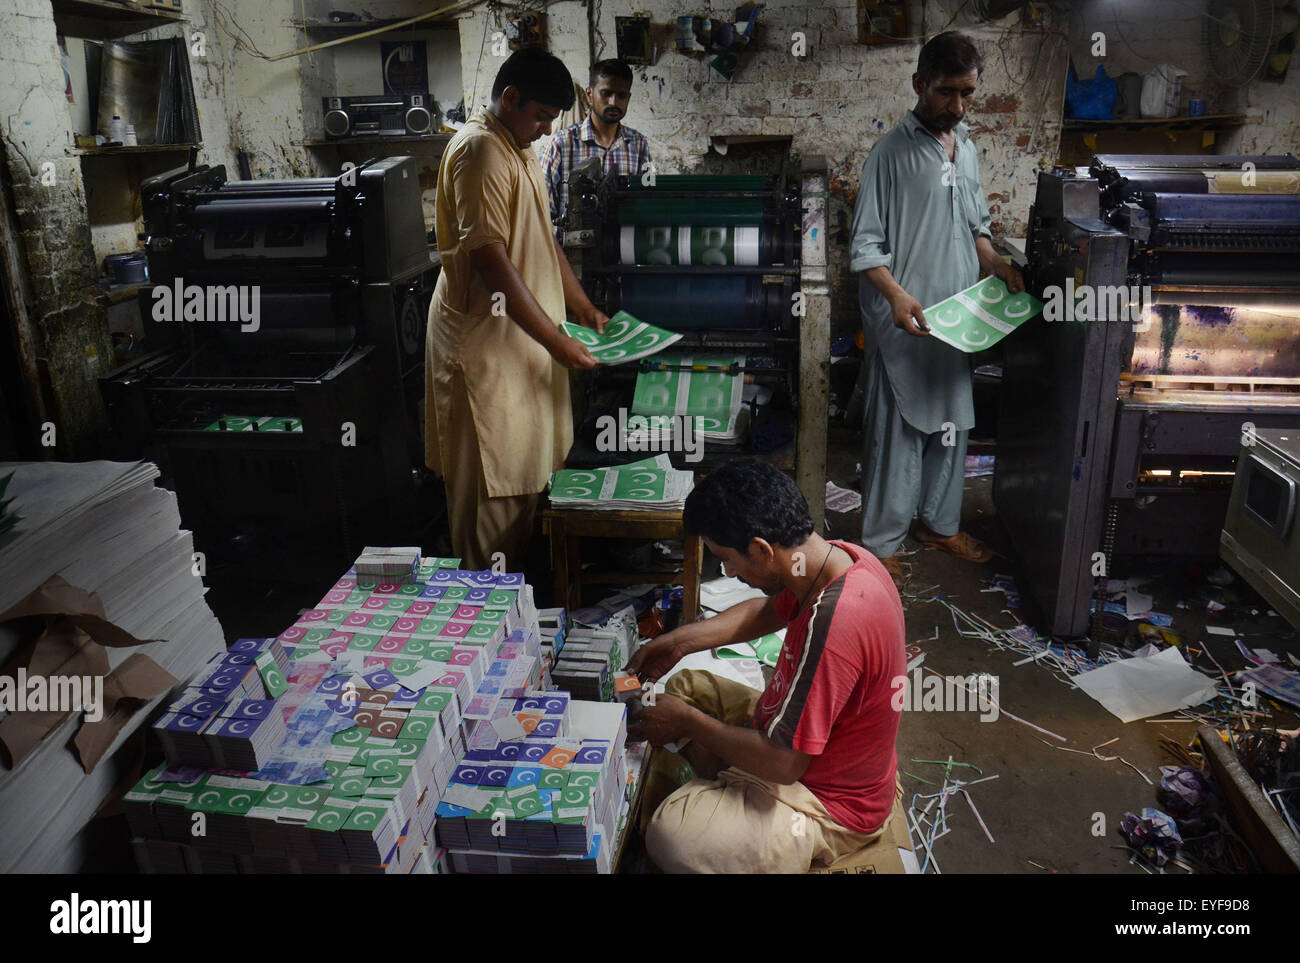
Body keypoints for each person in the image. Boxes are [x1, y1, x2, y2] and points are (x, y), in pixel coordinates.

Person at [624, 458, 906, 873]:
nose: (729, 572)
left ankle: (737, 797)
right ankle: (731, 786)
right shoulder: (839, 560)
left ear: (761, 549)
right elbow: (768, 612)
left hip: (828, 799)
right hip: (800, 745)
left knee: (672, 833)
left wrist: (689, 724)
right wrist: (679, 641)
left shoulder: (836, 620)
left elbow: (784, 765)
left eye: (728, 560)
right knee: (685, 686)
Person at [424, 47, 609, 570]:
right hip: (486, 348)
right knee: (491, 486)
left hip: (521, 345)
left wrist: (585, 310)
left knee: (525, 478)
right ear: (510, 98)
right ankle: (481, 614)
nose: (547, 130)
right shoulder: (481, 152)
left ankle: (516, 610)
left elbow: (543, 240)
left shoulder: (519, 148)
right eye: (541, 117)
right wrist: (557, 340)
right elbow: (489, 260)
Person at [849, 31, 1024, 584]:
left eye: (968, 93)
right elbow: (866, 247)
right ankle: (880, 543)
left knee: (953, 423)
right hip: (905, 320)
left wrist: (995, 264)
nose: (959, 106)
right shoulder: (890, 154)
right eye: (947, 93)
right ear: (920, 84)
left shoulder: (966, 145)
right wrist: (897, 297)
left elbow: (976, 226)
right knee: (898, 432)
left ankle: (940, 524)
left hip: (958, 317)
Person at [539, 58, 651, 230]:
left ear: (628, 98)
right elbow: (540, 212)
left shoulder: (639, 145)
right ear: (589, 94)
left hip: (623, 250)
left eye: (621, 95)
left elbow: (649, 200)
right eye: (606, 94)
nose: (613, 102)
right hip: (571, 252)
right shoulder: (561, 144)